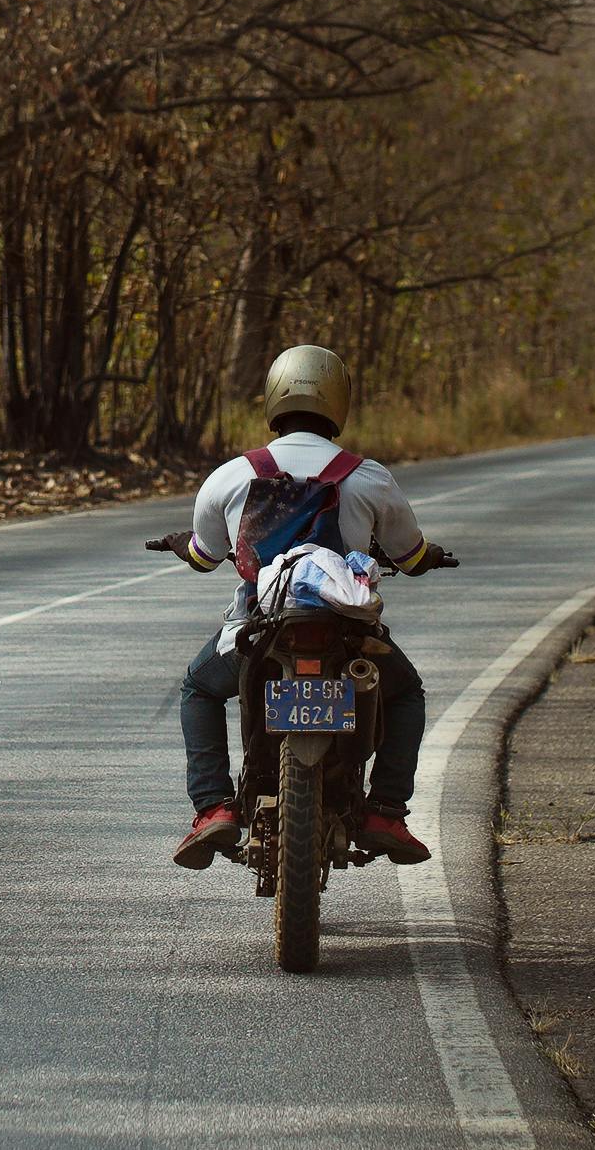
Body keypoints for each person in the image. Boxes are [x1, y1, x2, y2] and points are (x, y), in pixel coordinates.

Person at [143, 345, 454, 871]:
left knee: (199, 689)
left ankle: (213, 808)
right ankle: (385, 810)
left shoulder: (232, 475)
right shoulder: (368, 476)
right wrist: (430, 558)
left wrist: (182, 545)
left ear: (273, 400)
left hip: (259, 631)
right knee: (406, 694)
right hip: (346, 633)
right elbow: (411, 554)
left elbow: (204, 555)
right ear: (339, 402)